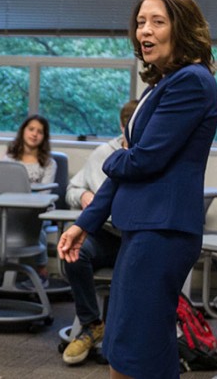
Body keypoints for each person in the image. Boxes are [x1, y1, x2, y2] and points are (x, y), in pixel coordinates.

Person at [58, 0, 217, 379]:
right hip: (142, 228)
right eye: (140, 22)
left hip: (162, 232)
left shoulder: (192, 82)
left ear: (182, 29)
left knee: (138, 346)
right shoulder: (160, 85)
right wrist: (85, 224)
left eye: (157, 22)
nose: (143, 31)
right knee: (126, 343)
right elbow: (126, 170)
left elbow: (143, 160)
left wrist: (118, 154)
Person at [60, 100, 138, 365]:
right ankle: (92, 323)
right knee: (74, 253)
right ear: (121, 126)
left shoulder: (154, 152)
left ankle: (125, 336)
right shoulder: (103, 153)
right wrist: (83, 195)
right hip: (105, 235)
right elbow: (71, 189)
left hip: (136, 236)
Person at [4, 114, 57, 286]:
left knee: (35, 223)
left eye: (40, 132)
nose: (34, 134)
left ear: (44, 137)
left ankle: (41, 270)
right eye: (31, 129)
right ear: (23, 131)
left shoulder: (49, 163)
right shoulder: (9, 159)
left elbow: (45, 193)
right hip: (14, 209)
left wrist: (28, 204)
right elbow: (6, 189)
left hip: (42, 212)